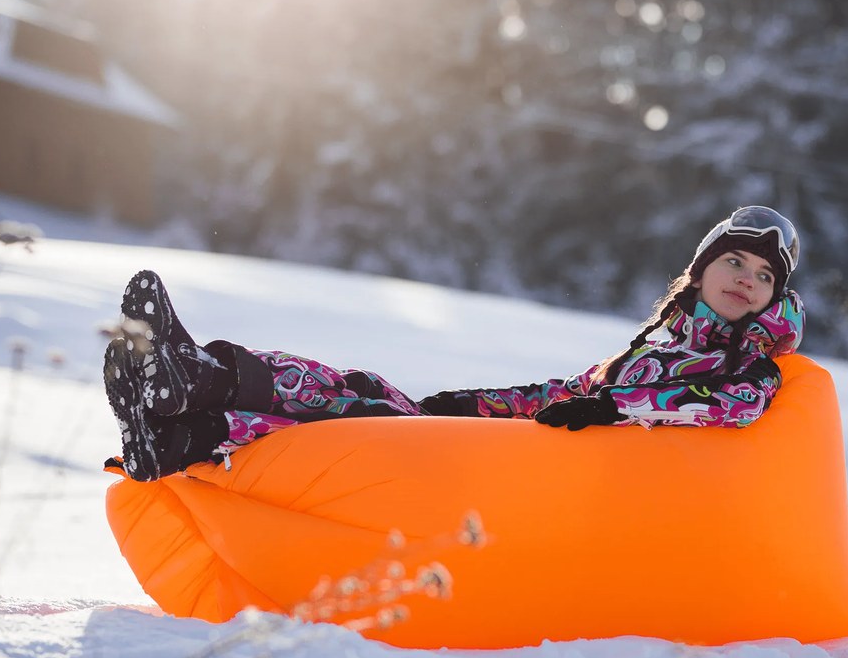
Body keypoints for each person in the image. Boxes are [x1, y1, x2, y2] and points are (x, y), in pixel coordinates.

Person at [104, 206, 804, 482]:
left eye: (764, 274)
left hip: (551, 487)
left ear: (776, 295)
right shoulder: (659, 343)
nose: (747, 279)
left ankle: (197, 389)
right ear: (701, 270)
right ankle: (184, 424)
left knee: (371, 416)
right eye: (734, 262)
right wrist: (476, 403)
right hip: (530, 457)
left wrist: (616, 415)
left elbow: (728, 408)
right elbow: (566, 397)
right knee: (371, 394)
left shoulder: (749, 367)